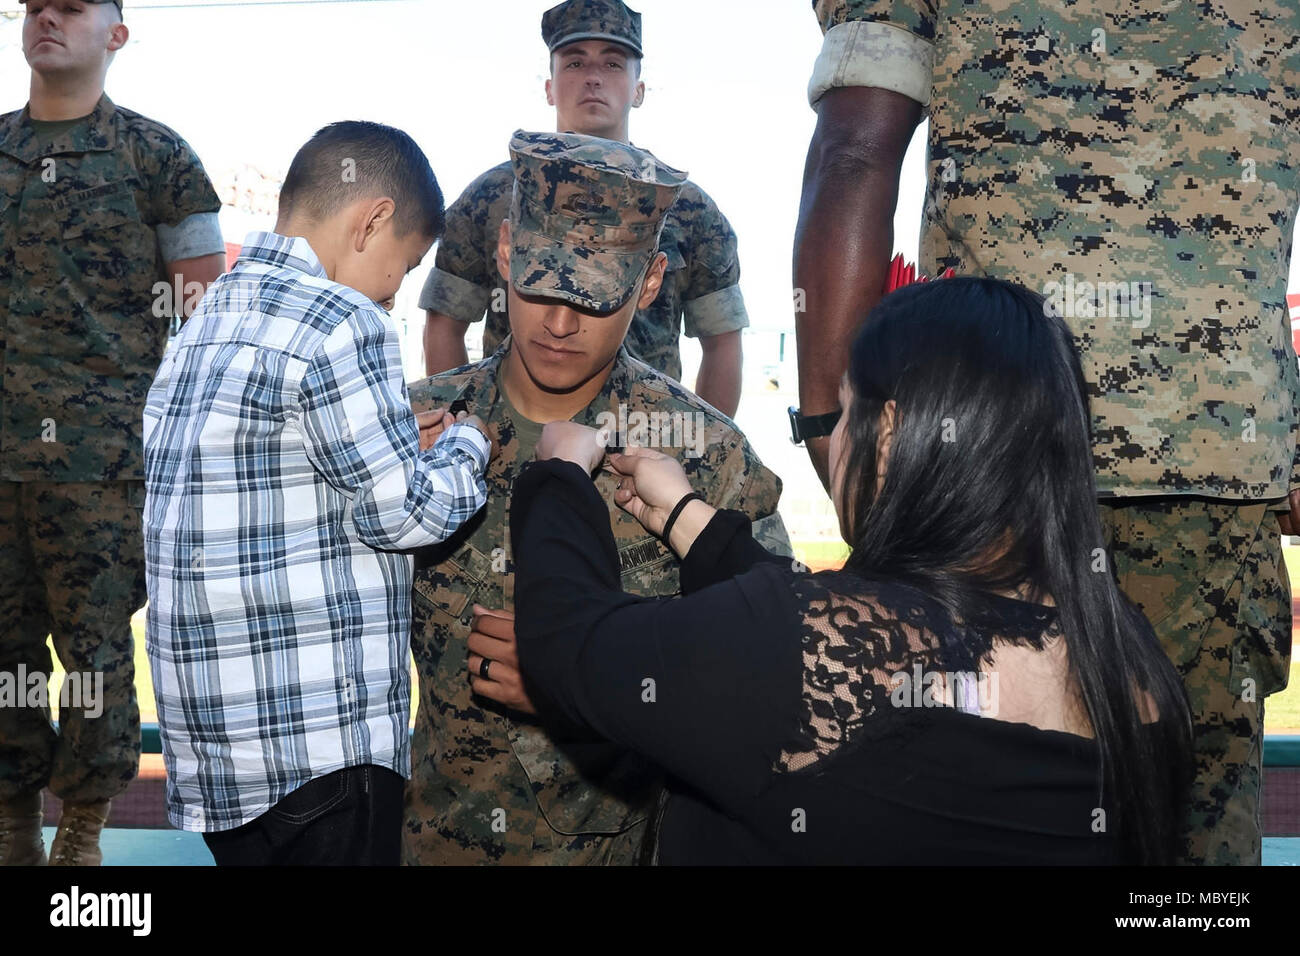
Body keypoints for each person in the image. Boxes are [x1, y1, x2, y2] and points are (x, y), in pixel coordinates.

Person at [791, 0, 1299, 865]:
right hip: (1210, 467)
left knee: (975, 820)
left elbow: (854, 151)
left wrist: (835, 428)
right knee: (1193, 847)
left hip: (981, 465)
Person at [512, 277, 1194, 865]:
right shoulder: (1128, 655)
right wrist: (683, 514)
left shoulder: (818, 646)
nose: (835, 437)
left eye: (843, 410)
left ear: (890, 434)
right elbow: (806, 639)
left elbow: (570, 641)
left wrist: (561, 473)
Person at [403, 129, 790, 865]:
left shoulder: (706, 457)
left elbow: (773, 682)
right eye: (544, 284)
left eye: (593, 297)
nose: (558, 323)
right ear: (507, 252)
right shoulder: (408, 429)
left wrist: (586, 681)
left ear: (648, 285)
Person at [142, 122, 495, 866]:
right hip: (317, 746)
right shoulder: (345, 321)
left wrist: (398, 436)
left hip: (219, 751)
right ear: (372, 222)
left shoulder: (205, 320)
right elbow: (407, 513)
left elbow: (281, 471)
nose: (395, 296)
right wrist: (469, 443)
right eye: (404, 267)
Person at [0, 0, 226, 866]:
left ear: (116, 35)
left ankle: (84, 835)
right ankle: (15, 828)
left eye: (70, 7)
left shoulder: (157, 157)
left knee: (94, 655)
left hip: (101, 463)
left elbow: (202, 317)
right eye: (35, 7)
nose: (46, 19)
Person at [421, 0, 748, 417]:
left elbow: (722, 342)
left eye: (613, 64)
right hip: (508, 448)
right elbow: (445, 324)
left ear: (639, 89)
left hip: (642, 453)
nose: (593, 78)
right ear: (549, 87)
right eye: (574, 63)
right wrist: (460, 435)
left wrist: (695, 457)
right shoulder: (492, 195)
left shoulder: (689, 207)